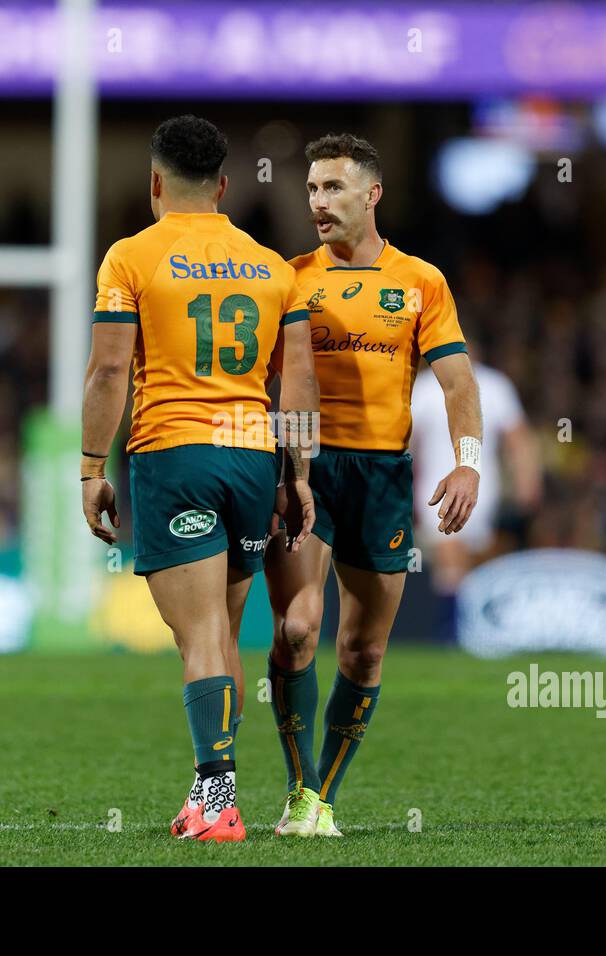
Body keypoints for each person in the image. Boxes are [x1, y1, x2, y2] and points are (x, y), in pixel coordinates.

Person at [80, 116, 317, 843]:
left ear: (155, 183)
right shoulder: (275, 267)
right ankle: (212, 793)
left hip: (174, 453)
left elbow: (111, 370)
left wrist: (91, 467)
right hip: (252, 457)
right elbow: (299, 382)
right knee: (223, 633)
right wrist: (298, 474)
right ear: (222, 185)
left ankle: (216, 802)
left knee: (199, 637)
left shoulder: (130, 258)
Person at [262, 134, 482, 837]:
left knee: (363, 650)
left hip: (383, 475)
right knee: (297, 631)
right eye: (312, 190)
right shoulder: (289, 279)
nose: (318, 202)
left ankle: (322, 795)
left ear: (372, 194)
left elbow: (456, 382)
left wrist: (468, 459)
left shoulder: (421, 281)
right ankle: (298, 793)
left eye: (333, 188)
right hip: (305, 468)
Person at [410, 337, 542, 635]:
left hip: (481, 483)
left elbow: (518, 439)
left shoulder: (494, 385)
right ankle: (453, 630)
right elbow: (408, 440)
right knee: (449, 551)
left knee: (473, 557)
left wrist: (527, 480)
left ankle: (466, 623)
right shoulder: (425, 387)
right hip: (434, 485)